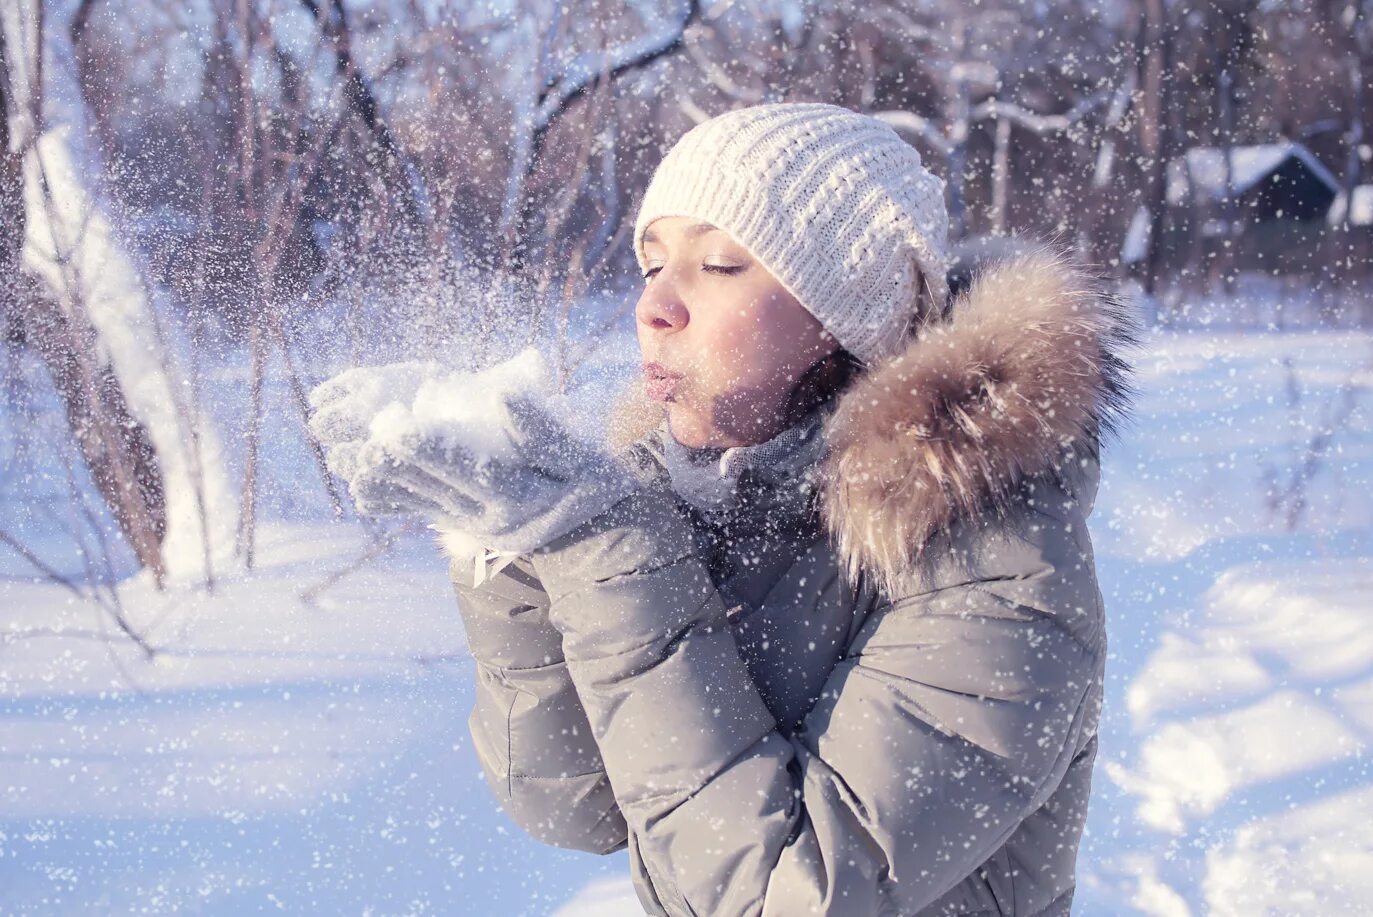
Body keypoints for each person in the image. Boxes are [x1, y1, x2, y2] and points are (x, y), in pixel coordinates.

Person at [311, 102, 1142, 916]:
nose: (654, 307)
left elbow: (783, 892)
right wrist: (515, 550)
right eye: (651, 265)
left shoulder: (999, 561)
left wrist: (610, 553)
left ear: (844, 313)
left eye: (717, 265)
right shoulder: (678, 495)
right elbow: (577, 802)